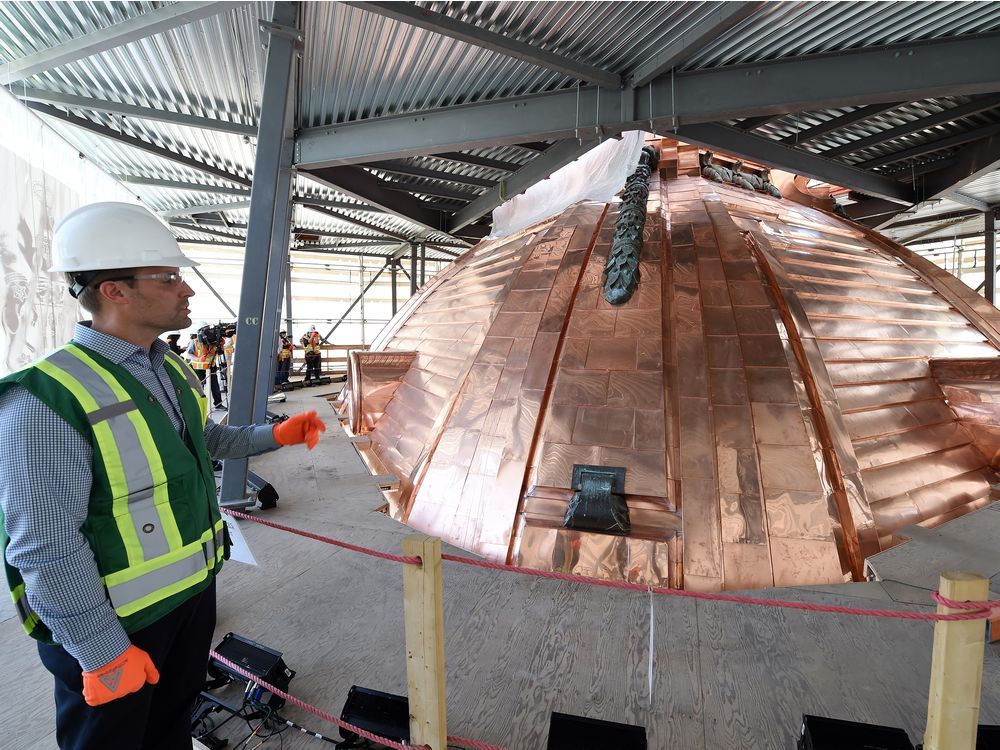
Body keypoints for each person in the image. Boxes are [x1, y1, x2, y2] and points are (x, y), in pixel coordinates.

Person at [0, 202, 327, 750]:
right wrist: (100, 650)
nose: (187, 290)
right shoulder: (46, 400)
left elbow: (201, 441)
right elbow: (45, 543)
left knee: (170, 731)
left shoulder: (168, 366)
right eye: (170, 277)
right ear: (115, 291)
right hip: (115, 622)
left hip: (191, 595)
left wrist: (277, 435)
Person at [188, 322, 224, 410]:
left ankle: (218, 404)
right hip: (198, 369)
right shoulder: (194, 342)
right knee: (199, 388)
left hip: (211, 367)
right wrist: (197, 359)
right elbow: (189, 354)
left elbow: (218, 352)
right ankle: (198, 406)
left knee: (215, 386)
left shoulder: (213, 341)